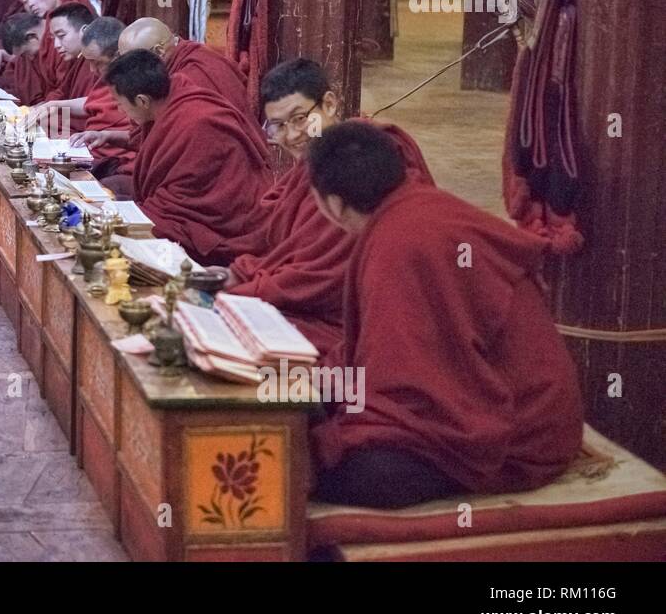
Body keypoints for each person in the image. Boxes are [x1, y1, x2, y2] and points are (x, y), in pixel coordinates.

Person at [307, 121, 583, 508]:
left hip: (519, 436)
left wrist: (333, 424)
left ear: (333, 204)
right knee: (313, 411)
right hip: (529, 408)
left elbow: (416, 392)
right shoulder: (421, 208)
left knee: (335, 467)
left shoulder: (399, 244)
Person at [227, 58, 432, 361]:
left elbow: (324, 275)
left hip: (354, 318)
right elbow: (296, 253)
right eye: (279, 126)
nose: (293, 135)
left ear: (330, 104)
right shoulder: (314, 164)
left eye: (300, 119)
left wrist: (242, 290)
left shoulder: (364, 160)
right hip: (313, 302)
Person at [103, 50, 272, 265]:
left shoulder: (198, 122)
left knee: (128, 230)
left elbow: (185, 199)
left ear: (142, 101)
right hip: (186, 205)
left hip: (232, 224)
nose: (119, 109)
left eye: (119, 103)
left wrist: (139, 213)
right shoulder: (172, 99)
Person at [118, 16, 255, 124]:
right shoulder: (175, 64)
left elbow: (188, 134)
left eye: (133, 62)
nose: (131, 71)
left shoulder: (193, 75)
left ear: (159, 51)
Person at [69, 17, 137, 187]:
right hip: (95, 150)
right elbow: (93, 103)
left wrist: (106, 136)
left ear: (118, 55)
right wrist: (53, 105)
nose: (92, 70)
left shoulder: (139, 79)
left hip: (124, 161)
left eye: (97, 63)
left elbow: (144, 136)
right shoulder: (111, 75)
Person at [24, 4, 98, 136]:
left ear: (84, 31)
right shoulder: (78, 60)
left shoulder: (98, 63)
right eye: (53, 38)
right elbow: (63, 92)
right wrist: (43, 106)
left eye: (61, 36)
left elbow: (95, 109)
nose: (56, 45)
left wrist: (52, 109)